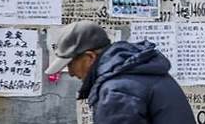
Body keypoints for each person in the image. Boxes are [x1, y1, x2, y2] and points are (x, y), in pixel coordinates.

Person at [45, 20, 196, 124]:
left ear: (90, 57)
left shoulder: (117, 89)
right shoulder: (139, 71)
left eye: (71, 63)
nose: (70, 73)